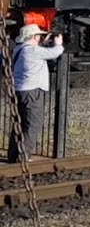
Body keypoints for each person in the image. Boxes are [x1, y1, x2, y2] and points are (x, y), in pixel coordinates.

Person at [7, 24, 63, 163]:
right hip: (32, 92)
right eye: (39, 36)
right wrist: (58, 44)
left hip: (19, 90)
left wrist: (43, 42)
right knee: (32, 124)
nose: (40, 38)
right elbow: (55, 52)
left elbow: (37, 51)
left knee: (19, 124)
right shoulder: (33, 51)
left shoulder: (19, 49)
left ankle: (13, 154)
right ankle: (23, 156)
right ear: (33, 37)